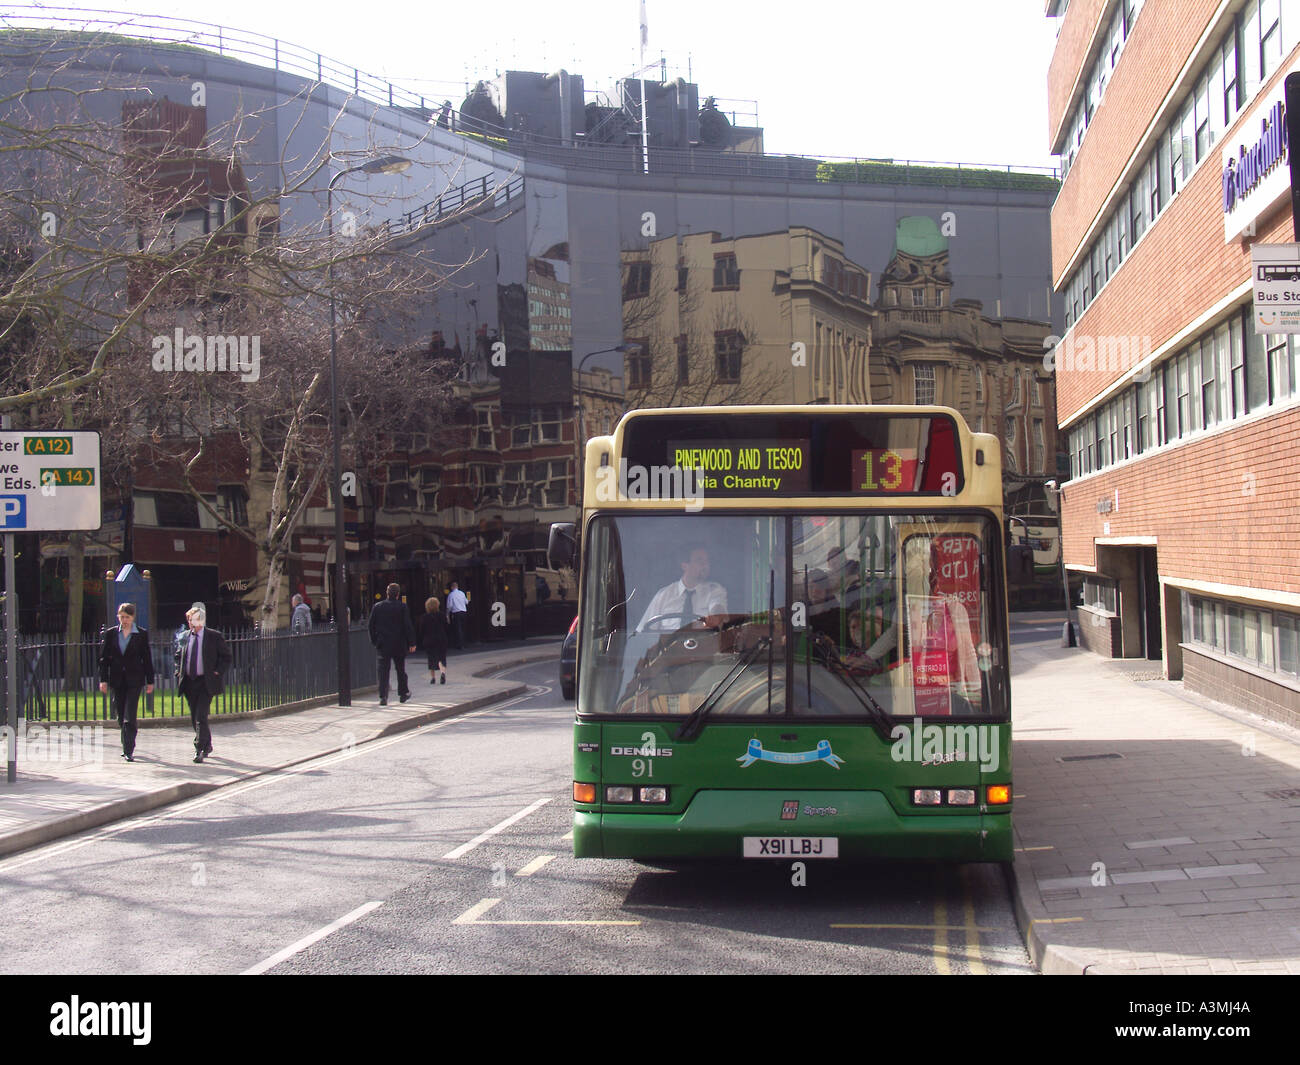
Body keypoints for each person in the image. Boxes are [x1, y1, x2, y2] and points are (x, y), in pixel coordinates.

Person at [175, 602, 233, 764]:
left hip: (205, 681)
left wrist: (217, 672)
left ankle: (199, 748)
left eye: (194, 620)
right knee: (195, 716)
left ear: (201, 620)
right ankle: (207, 744)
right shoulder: (184, 637)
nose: (191, 624)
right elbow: (178, 656)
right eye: (189, 620)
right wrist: (177, 671)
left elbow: (226, 657)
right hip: (188, 681)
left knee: (201, 715)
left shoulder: (213, 636)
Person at [98, 602, 155, 762]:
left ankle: (128, 749)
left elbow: (146, 658)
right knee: (121, 715)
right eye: (121, 617)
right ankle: (126, 743)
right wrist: (103, 679)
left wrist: (150, 680)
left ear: (133, 617)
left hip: (135, 679)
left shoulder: (141, 634)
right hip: (116, 679)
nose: (124, 620)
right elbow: (103, 659)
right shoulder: (111, 634)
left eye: (127, 617)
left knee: (130, 715)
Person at [637, 544, 728, 632]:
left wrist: (716, 616)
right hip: (668, 646)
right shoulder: (664, 595)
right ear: (684, 565)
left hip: (702, 645)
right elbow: (643, 632)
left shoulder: (714, 591)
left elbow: (718, 607)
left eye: (707, 561)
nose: (705, 565)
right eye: (699, 561)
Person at [369, 583, 416, 705]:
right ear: (398, 594)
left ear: (387, 593)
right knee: (400, 669)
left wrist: (375, 641)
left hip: (383, 643)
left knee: (383, 671)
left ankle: (383, 696)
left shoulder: (377, 607)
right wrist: (411, 642)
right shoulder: (402, 607)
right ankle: (403, 693)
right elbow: (407, 625)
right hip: (399, 643)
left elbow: (371, 626)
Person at [418, 596, 449, 685]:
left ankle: (433, 677)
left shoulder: (424, 617)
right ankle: (442, 673)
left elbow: (421, 630)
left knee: (431, 658)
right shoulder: (442, 615)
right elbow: (447, 627)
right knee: (442, 657)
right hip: (441, 639)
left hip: (429, 640)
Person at [445, 580, 469, 649]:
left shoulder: (451, 595)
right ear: (457, 586)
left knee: (458, 629)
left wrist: (447, 614)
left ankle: (459, 644)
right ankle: (464, 643)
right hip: (464, 612)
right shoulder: (462, 593)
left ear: (452, 587)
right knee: (463, 628)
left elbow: (449, 606)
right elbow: (467, 602)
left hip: (456, 613)